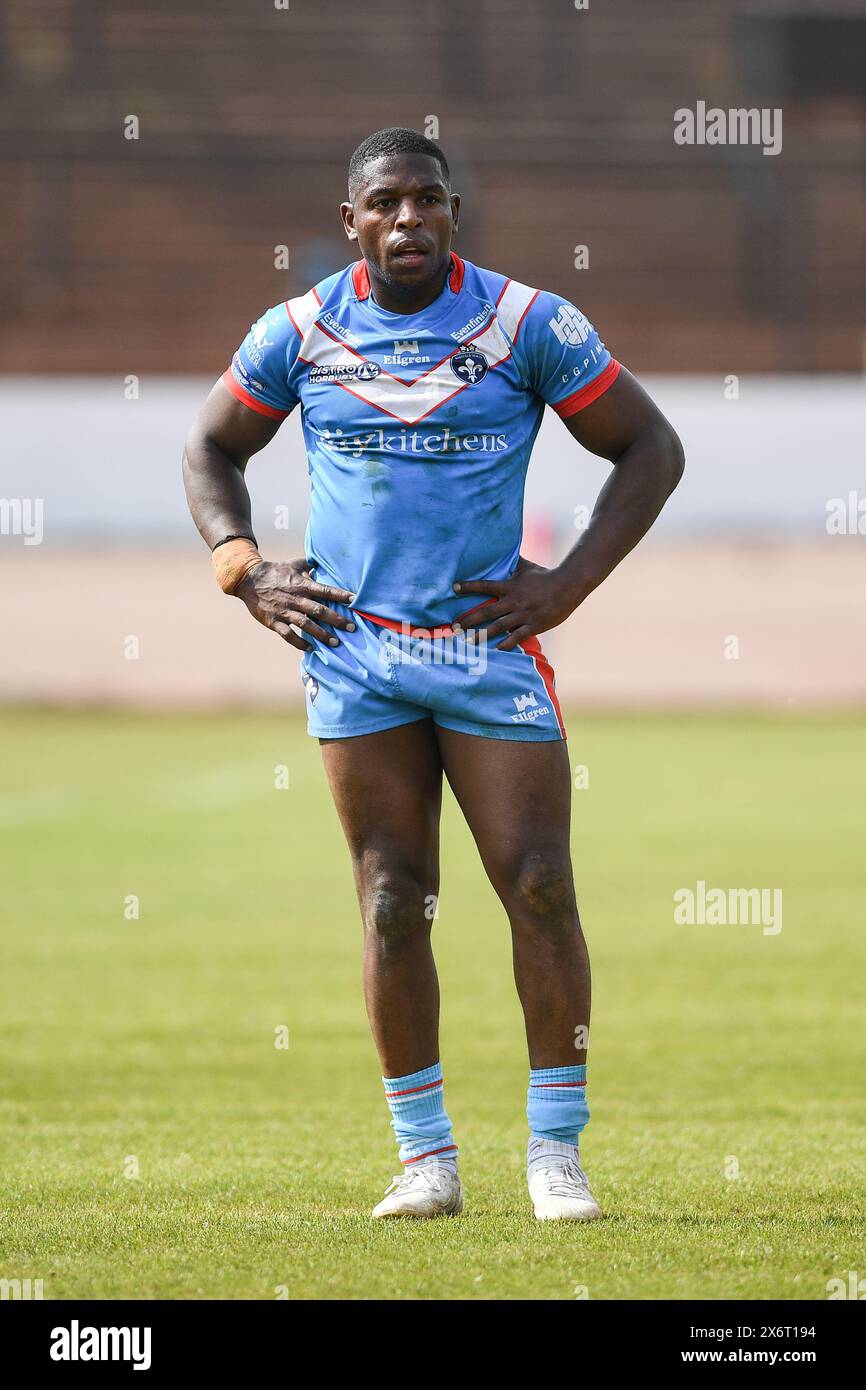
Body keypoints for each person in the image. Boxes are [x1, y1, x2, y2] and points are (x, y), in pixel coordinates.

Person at [183, 126, 684, 1221]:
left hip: (484, 653)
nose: (406, 219)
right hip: (354, 657)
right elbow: (210, 446)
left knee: (540, 886)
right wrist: (244, 569)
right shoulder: (302, 329)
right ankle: (425, 1159)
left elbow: (650, 446)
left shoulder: (523, 324)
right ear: (350, 217)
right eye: (384, 203)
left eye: (426, 200)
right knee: (391, 900)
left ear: (452, 213)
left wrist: (567, 585)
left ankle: (554, 1153)